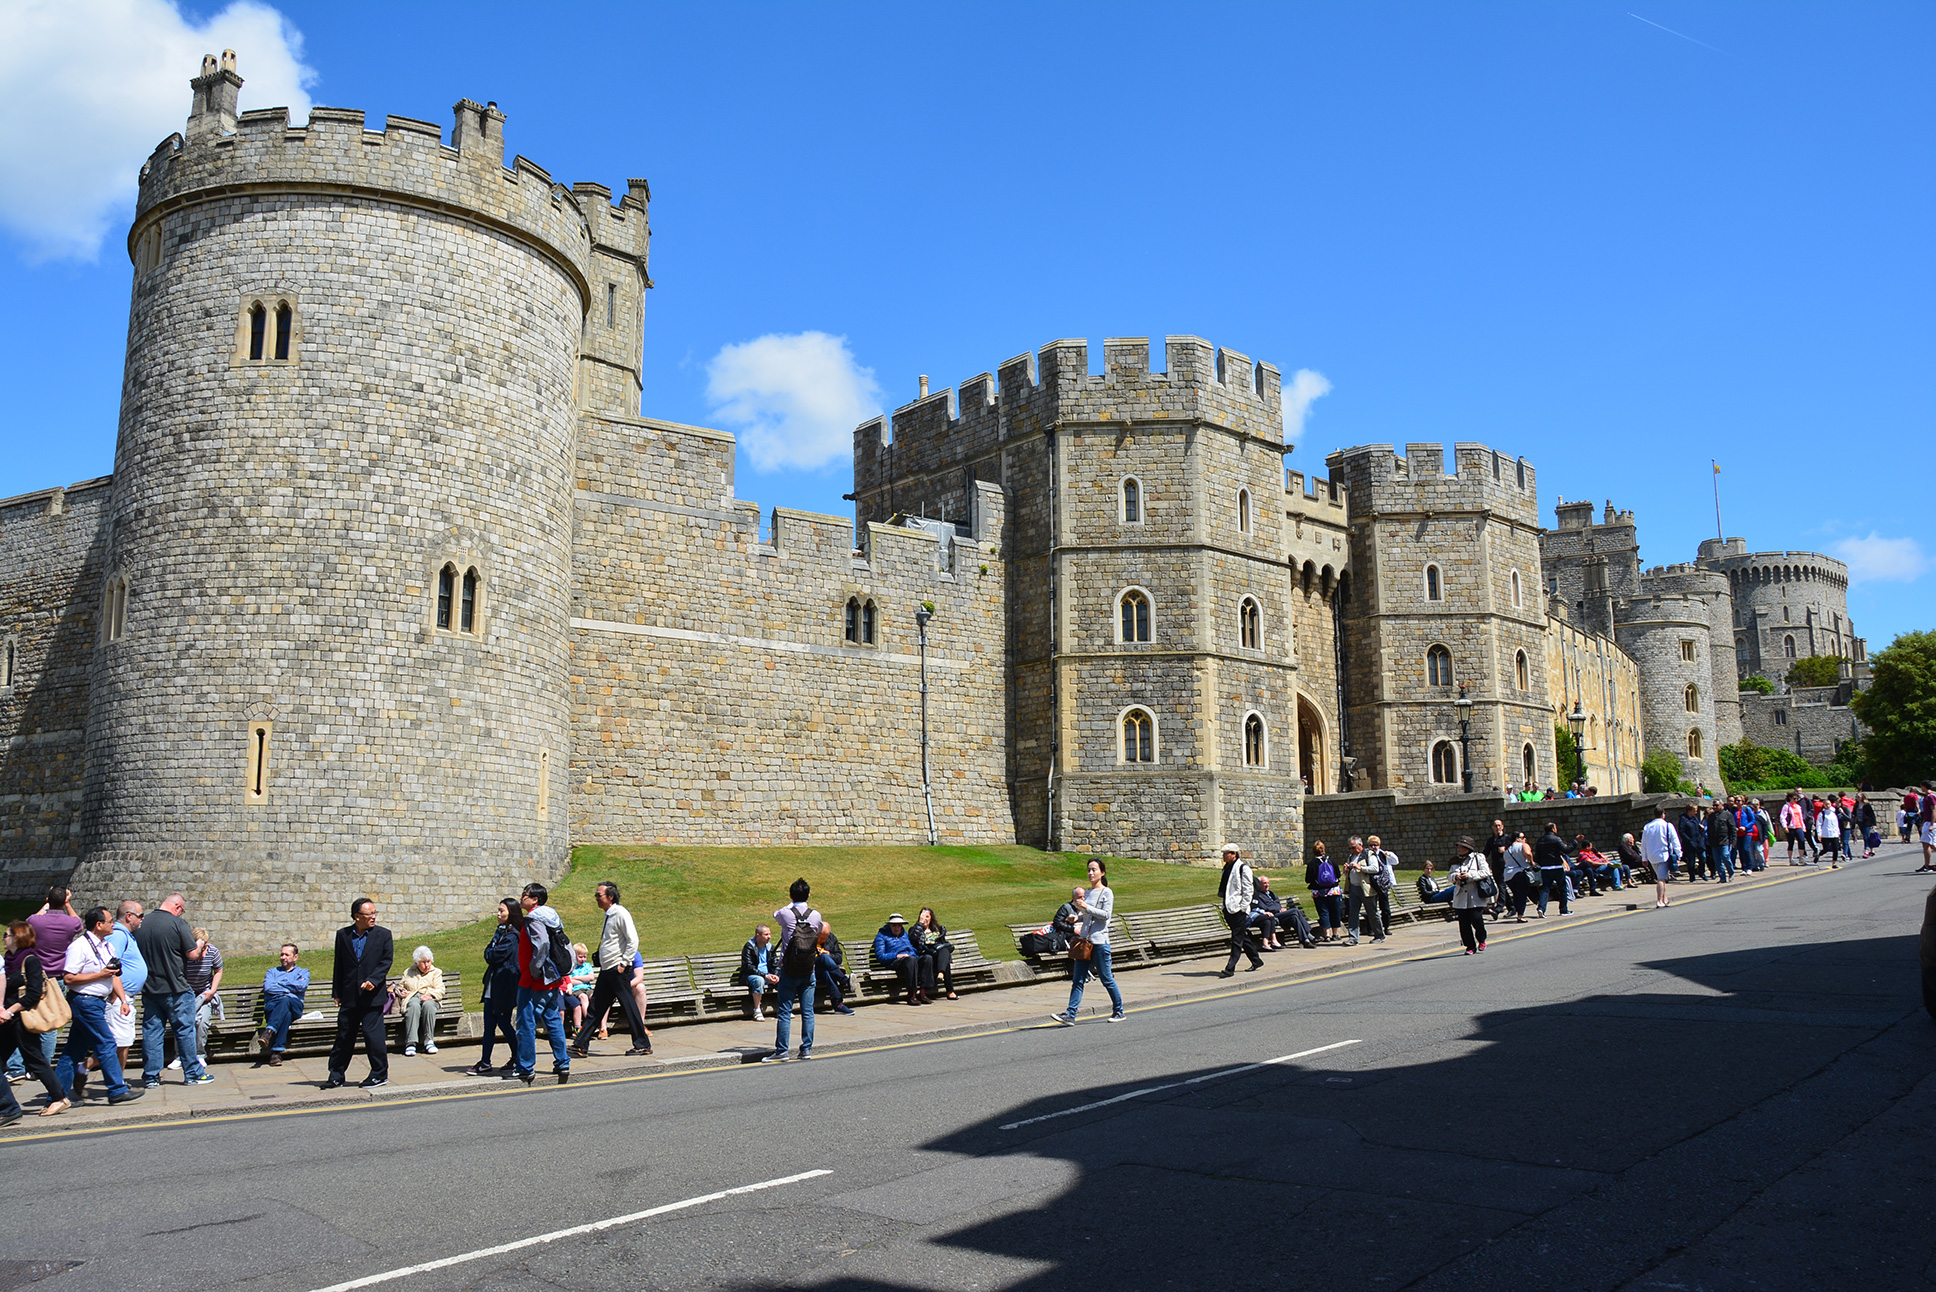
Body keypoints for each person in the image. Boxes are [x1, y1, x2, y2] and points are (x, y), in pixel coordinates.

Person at [55, 907, 141, 1106]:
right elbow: (68, 978)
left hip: (97, 1002)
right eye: (110, 921)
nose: (113, 924)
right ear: (98, 925)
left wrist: (122, 1000)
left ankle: (57, 1096)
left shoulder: (106, 946)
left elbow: (113, 975)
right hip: (84, 1001)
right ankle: (117, 1090)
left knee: (72, 1052)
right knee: (107, 1043)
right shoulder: (79, 947)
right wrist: (98, 975)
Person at [132, 892, 212, 1087]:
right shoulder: (178, 924)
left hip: (150, 989)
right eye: (181, 910)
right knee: (184, 1030)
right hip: (176, 988)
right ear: (177, 907)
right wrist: (200, 944)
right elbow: (193, 954)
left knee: (152, 1032)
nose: (181, 913)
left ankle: (151, 1076)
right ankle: (192, 1073)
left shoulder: (142, 924)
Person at [572, 881, 651, 1058]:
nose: (596, 898)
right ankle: (580, 1045)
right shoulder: (609, 914)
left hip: (618, 969)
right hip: (608, 969)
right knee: (596, 1006)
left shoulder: (620, 913)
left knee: (629, 1006)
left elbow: (633, 940)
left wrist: (624, 963)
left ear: (611, 896)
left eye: (599, 895)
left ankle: (642, 1044)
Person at [324, 897, 394, 1090]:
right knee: (344, 1036)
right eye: (369, 914)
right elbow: (339, 965)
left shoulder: (383, 935)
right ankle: (336, 1075)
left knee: (374, 1036)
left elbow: (386, 961)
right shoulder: (343, 935)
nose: (373, 917)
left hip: (372, 996)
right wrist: (336, 992)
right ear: (357, 917)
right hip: (349, 995)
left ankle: (379, 1073)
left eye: (374, 913)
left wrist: (374, 980)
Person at [1, 922, 69, 1118]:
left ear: (17, 937)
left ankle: (59, 1098)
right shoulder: (9, 959)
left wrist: (10, 1011)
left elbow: (34, 993)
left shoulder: (30, 960)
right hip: (9, 1022)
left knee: (36, 1060)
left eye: (7, 934)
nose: (4, 938)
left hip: (22, 1020)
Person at [511, 882, 571, 1085]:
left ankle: (525, 1067)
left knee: (526, 1023)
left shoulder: (533, 919)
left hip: (534, 979)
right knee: (552, 1019)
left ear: (535, 899)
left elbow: (542, 944)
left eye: (525, 895)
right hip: (551, 978)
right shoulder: (550, 916)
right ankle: (562, 1062)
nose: (521, 898)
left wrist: (535, 969)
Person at [1051, 858, 1123, 1023]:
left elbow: (1105, 915)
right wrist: (1075, 918)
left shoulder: (1107, 892)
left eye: (1094, 870)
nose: (1090, 873)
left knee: (1106, 978)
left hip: (1099, 942)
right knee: (1078, 979)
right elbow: (1087, 916)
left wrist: (1086, 908)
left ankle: (1119, 1011)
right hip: (1084, 942)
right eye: (1089, 870)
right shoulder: (1088, 893)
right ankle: (1070, 1014)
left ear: (1102, 873)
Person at [764, 877, 824, 1063]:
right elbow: (820, 930)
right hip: (808, 968)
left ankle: (782, 1050)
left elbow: (776, 916)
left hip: (789, 968)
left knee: (784, 1011)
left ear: (790, 895)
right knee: (808, 1011)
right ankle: (806, 1048)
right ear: (809, 895)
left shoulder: (785, 912)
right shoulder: (816, 915)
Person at [465, 898, 522, 1077]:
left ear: (510, 913)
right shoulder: (501, 933)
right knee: (489, 1025)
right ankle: (485, 1062)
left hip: (503, 986)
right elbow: (489, 953)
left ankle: (518, 1056)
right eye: (498, 911)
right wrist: (491, 949)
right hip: (493, 984)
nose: (498, 914)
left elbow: (493, 955)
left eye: (501, 911)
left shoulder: (512, 936)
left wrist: (491, 950)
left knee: (504, 1023)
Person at [104, 901, 147, 1074]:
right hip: (119, 998)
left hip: (124, 997)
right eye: (140, 915)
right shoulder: (119, 936)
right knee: (119, 1042)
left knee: (124, 1042)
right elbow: (111, 965)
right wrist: (117, 996)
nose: (142, 919)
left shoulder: (126, 935)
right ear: (129, 916)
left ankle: (118, 1081)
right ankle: (85, 1069)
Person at [254, 943, 308, 1066]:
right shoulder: (272, 972)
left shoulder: (303, 972)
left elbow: (301, 986)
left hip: (295, 1006)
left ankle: (269, 1031)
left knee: (286, 1001)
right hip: (273, 1007)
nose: (283, 957)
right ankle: (275, 1054)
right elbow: (268, 988)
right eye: (282, 954)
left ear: (295, 957)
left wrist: (280, 984)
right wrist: (289, 989)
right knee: (286, 1014)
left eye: (287, 955)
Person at [1217, 844, 1265, 976]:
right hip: (1229, 908)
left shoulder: (1243, 868)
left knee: (1236, 939)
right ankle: (1256, 960)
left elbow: (1248, 890)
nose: (1224, 856)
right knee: (1241, 936)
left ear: (1234, 854)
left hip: (1239, 909)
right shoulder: (1226, 868)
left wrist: (1243, 908)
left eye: (1227, 853)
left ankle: (1230, 968)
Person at [184, 925, 224, 1070]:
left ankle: (200, 1054)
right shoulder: (185, 953)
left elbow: (218, 970)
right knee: (184, 1022)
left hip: (204, 993)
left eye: (204, 945)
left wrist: (212, 991)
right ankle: (180, 1055)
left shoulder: (212, 952)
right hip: (187, 994)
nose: (202, 949)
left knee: (202, 1022)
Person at [392, 946, 444, 1057]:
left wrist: (430, 995)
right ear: (416, 963)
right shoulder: (408, 972)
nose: (426, 965)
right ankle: (411, 1042)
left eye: (428, 962)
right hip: (412, 997)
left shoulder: (436, 972)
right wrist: (402, 992)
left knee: (428, 1006)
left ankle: (429, 1040)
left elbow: (440, 990)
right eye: (423, 962)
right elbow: (400, 987)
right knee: (414, 1006)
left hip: (430, 998)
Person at [873, 915, 931, 1005]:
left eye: (899, 925)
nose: (897, 928)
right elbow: (880, 956)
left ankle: (923, 993)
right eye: (894, 925)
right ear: (889, 925)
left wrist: (914, 954)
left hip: (909, 959)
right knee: (910, 960)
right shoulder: (881, 936)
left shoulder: (903, 933)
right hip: (894, 962)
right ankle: (911, 995)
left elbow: (910, 949)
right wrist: (897, 955)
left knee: (927, 958)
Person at [1449, 838, 1491, 954]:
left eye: (1461, 847)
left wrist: (1469, 875)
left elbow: (1486, 872)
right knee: (1463, 923)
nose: (1459, 849)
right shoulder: (1454, 861)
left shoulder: (1478, 858)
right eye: (1458, 847)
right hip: (1460, 896)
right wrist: (1456, 877)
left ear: (1468, 848)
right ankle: (1470, 946)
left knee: (1477, 919)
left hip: (1475, 895)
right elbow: (1450, 875)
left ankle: (1481, 939)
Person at [1342, 837, 1387, 946]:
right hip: (1353, 888)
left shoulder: (1368, 854)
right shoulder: (1351, 857)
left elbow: (1375, 868)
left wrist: (1361, 868)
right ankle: (1353, 938)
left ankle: (1379, 935)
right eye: (1350, 848)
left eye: (1353, 847)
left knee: (1372, 912)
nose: (1352, 850)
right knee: (1353, 913)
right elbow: (1350, 872)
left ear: (1360, 845)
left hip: (1366, 888)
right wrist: (1347, 870)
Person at [911, 907, 957, 1000]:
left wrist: (950, 960)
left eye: (927, 916)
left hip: (939, 957)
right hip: (926, 956)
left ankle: (941, 973)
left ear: (931, 918)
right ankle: (950, 991)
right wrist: (920, 924)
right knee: (944, 963)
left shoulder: (938, 930)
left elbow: (944, 944)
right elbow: (914, 938)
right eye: (923, 916)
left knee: (944, 952)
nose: (925, 919)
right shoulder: (915, 929)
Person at [1641, 805, 1682, 908]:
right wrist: (1679, 854)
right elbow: (1675, 840)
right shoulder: (1668, 825)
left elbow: (1643, 843)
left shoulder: (1647, 826)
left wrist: (1644, 858)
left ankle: (1665, 898)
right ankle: (1659, 900)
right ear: (1663, 815)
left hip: (1652, 856)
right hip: (1664, 855)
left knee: (1662, 878)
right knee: (1661, 879)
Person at [1306, 841, 1344, 944]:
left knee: (1323, 913)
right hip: (1333, 890)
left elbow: (1308, 879)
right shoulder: (1331, 860)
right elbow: (1337, 874)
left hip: (1319, 892)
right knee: (1335, 911)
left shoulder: (1312, 863)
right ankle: (1335, 934)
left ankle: (1327, 935)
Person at [815, 922, 856, 1015]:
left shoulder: (831, 938)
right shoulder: (809, 939)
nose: (821, 940)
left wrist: (829, 954)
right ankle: (845, 981)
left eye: (824, 938)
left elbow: (838, 958)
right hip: (813, 969)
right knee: (823, 958)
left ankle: (838, 1005)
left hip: (826, 971)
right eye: (820, 937)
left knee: (826, 972)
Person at [740, 924, 779, 1018]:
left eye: (769, 934)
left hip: (767, 975)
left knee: (784, 978)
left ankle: (783, 1009)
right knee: (759, 980)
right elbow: (748, 967)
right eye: (766, 934)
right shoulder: (749, 947)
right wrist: (765, 976)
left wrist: (776, 975)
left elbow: (775, 964)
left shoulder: (770, 948)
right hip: (750, 976)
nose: (769, 937)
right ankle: (757, 1010)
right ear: (758, 935)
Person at [1534, 822, 1571, 916]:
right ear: (1553, 829)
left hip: (1545, 868)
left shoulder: (1540, 840)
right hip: (1557, 867)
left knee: (1545, 889)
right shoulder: (1556, 839)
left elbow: (1537, 856)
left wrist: (1540, 864)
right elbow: (1566, 850)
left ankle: (1541, 908)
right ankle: (1563, 910)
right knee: (1562, 888)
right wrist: (1575, 842)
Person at [1500, 830, 1535, 922]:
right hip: (1519, 873)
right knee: (1522, 895)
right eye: (1523, 837)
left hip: (1508, 875)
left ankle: (1518, 912)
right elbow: (1528, 853)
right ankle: (1520, 916)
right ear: (1518, 839)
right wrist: (1531, 862)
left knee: (1516, 895)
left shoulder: (1507, 850)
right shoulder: (1523, 845)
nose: (1525, 839)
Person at [1249, 874, 1286, 949]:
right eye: (1264, 883)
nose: (1267, 885)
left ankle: (1267, 943)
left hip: (1259, 916)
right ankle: (1272, 940)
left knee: (1268, 920)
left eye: (1268, 883)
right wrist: (1263, 912)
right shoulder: (1253, 894)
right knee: (1269, 917)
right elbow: (1252, 907)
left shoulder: (1269, 893)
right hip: (1251, 917)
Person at [1676, 803, 1708, 882]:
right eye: (1694, 811)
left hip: (1698, 841)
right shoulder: (1683, 819)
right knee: (1691, 861)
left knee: (1703, 858)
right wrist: (1689, 840)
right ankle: (1692, 876)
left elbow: (1697, 827)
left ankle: (1702, 872)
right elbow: (1681, 831)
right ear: (1689, 811)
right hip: (1690, 843)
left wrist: (1701, 828)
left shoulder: (1695, 818)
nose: (1696, 813)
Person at [1706, 804, 1736, 883]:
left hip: (1725, 840)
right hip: (1714, 842)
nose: (1714, 807)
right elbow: (1709, 829)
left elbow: (1732, 828)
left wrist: (1734, 840)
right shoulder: (1711, 816)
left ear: (1721, 805)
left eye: (1716, 805)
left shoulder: (1727, 814)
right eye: (1713, 805)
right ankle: (1722, 877)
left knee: (1725, 856)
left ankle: (1731, 872)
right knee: (1717, 860)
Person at [1815, 795, 1844, 869]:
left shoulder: (1834, 813)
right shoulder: (1822, 814)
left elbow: (1836, 823)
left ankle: (1834, 863)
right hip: (1826, 833)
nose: (1827, 805)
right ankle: (1818, 855)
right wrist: (1819, 833)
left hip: (1834, 834)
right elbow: (1818, 824)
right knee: (1826, 849)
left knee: (1835, 848)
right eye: (1826, 804)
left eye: (1828, 804)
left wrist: (1838, 832)